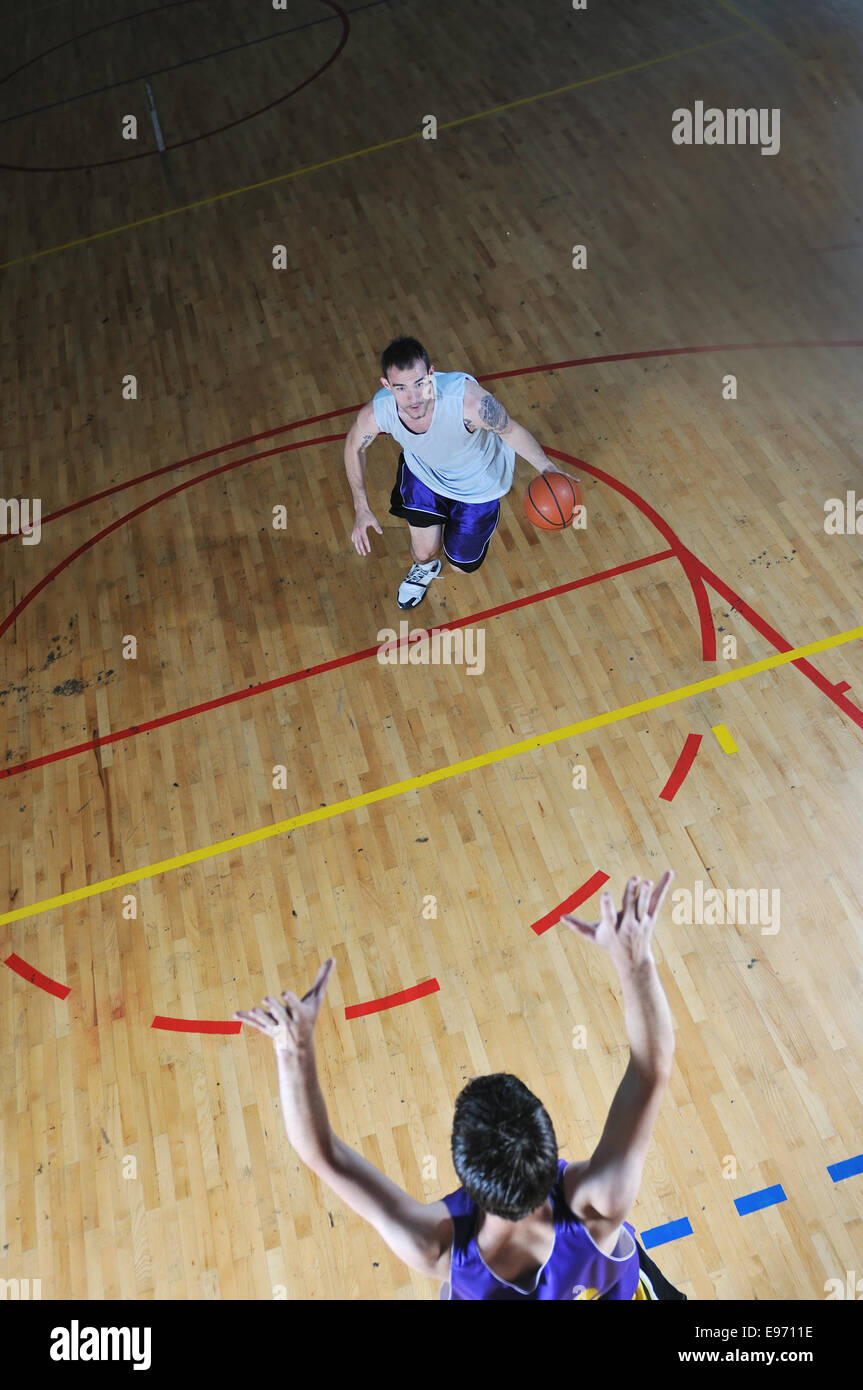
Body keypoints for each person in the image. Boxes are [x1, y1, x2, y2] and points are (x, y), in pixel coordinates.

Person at [234, 871, 686, 1300]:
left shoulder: (436, 1248)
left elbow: (320, 1153)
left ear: (464, 1178)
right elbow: (651, 1069)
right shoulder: (597, 1208)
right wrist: (635, 961)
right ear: (548, 1156)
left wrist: (293, 1050)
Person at [344, 335, 579, 608]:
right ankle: (425, 568)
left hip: (478, 485)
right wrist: (361, 506)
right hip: (425, 474)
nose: (414, 397)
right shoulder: (379, 412)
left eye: (420, 383)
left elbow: (510, 430)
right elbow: (354, 446)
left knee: (461, 565)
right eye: (401, 388)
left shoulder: (470, 403)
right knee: (423, 553)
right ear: (387, 386)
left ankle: (469, 529)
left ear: (431, 374)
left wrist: (548, 468)